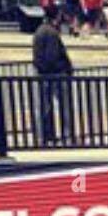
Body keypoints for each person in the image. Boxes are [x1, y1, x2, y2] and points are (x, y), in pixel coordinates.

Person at [32, 11, 74, 145]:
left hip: (43, 74)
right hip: (55, 74)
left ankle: (45, 135)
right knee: (65, 106)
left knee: (45, 106)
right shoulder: (51, 33)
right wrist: (65, 68)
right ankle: (67, 135)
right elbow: (52, 56)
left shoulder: (40, 31)